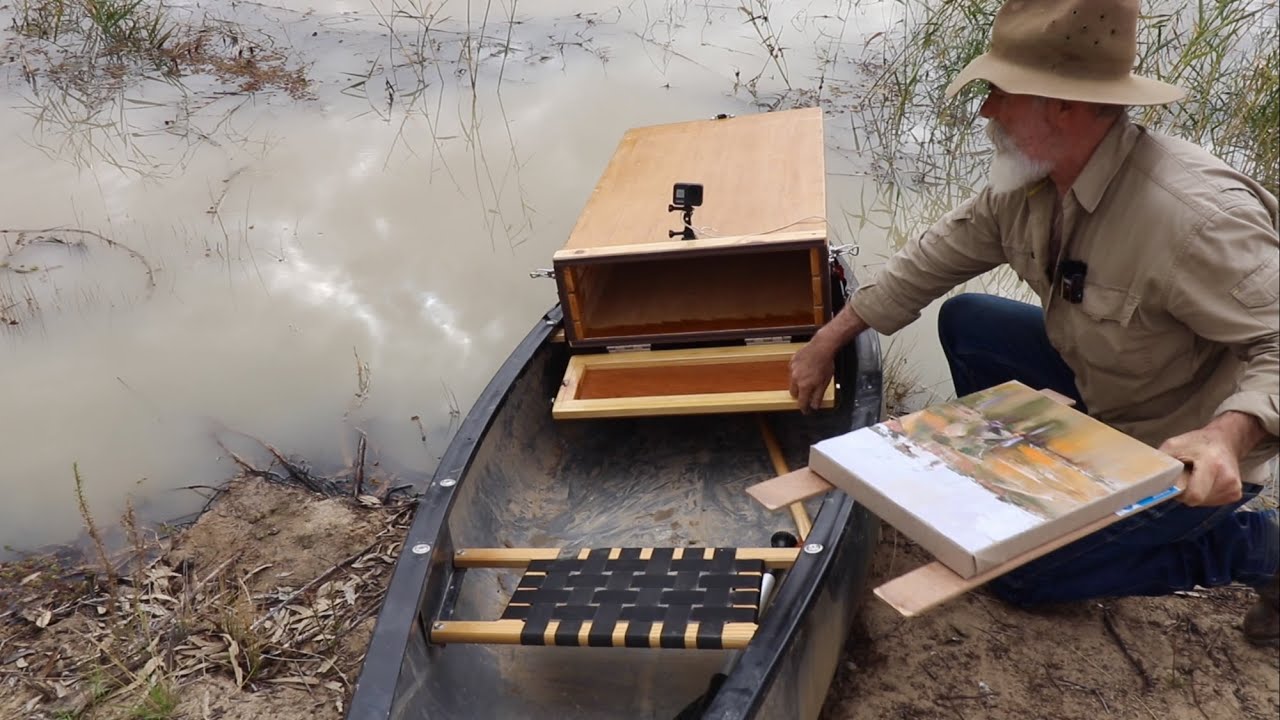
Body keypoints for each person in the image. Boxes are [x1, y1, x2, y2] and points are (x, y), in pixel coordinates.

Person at [790, 0, 1279, 647]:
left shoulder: (1193, 217)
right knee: (970, 322)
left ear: (1064, 106)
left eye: (1000, 92)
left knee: (1020, 576)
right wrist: (829, 338)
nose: (987, 111)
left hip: (1174, 446)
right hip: (1106, 386)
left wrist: (1224, 438)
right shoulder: (1028, 183)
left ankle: (1252, 549)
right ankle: (1028, 488)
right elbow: (932, 258)